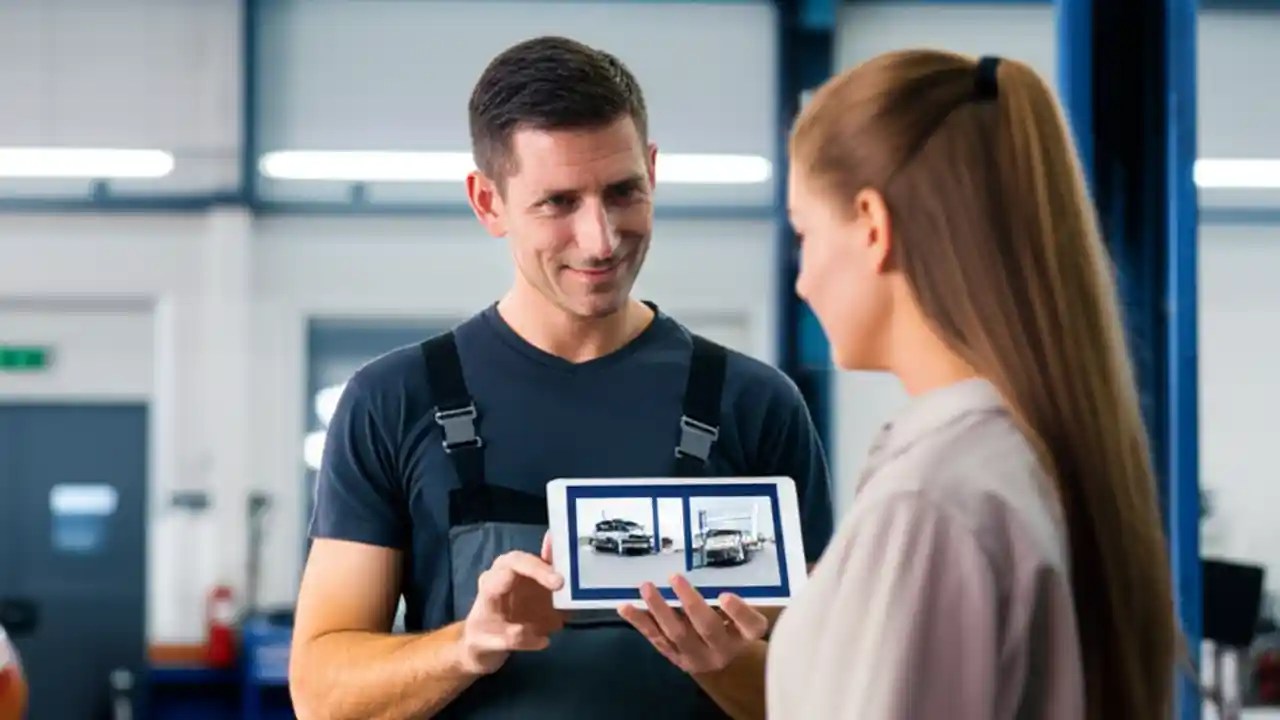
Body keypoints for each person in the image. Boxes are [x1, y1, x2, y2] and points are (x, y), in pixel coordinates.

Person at [288, 35, 834, 720]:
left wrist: (720, 662)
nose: (600, 238)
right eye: (558, 203)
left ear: (654, 172)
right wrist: (470, 644)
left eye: (622, 191)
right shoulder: (394, 402)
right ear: (488, 202)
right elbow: (320, 695)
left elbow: (826, 698)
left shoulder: (755, 405)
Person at [766, 49, 1178, 720]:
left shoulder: (928, 503)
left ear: (872, 227)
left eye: (805, 233)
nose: (803, 279)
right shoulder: (1014, 460)